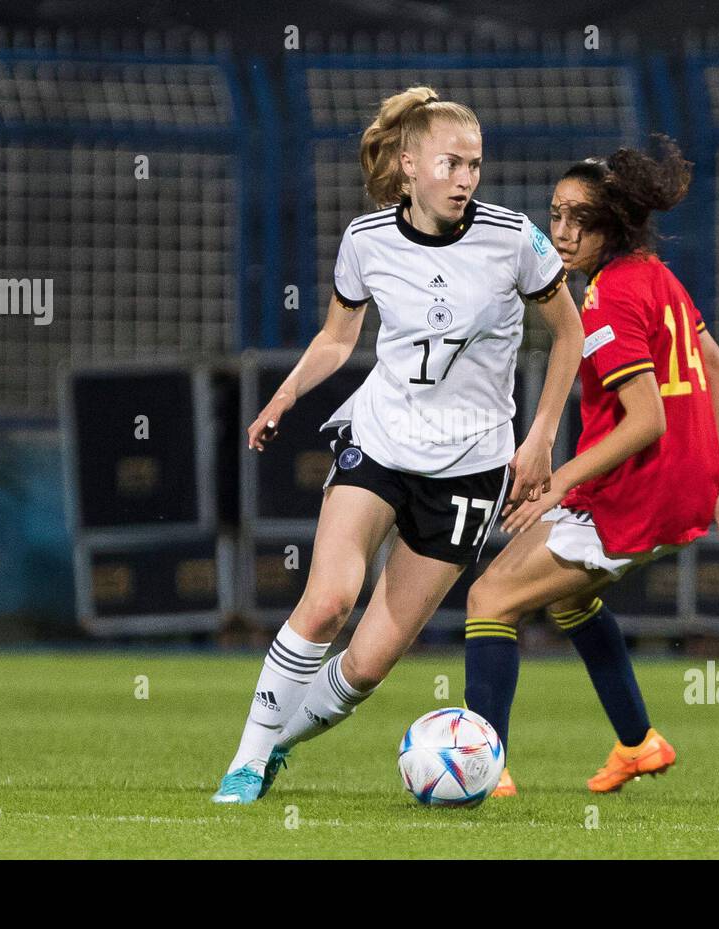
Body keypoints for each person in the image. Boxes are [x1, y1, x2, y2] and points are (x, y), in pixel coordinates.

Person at [212, 86, 584, 804]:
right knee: (327, 601)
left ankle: (278, 742)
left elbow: (568, 335)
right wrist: (285, 396)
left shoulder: (514, 239)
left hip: (470, 472)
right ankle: (246, 760)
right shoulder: (366, 239)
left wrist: (539, 438)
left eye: (475, 165)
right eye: (451, 164)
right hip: (380, 443)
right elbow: (338, 337)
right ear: (410, 164)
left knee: (368, 667)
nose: (466, 179)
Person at [462, 136, 719, 796]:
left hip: (636, 492)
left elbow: (646, 418)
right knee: (569, 598)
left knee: (489, 598)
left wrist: (557, 479)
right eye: (556, 215)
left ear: (612, 225)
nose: (561, 234)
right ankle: (639, 742)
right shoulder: (657, 276)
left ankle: (482, 770)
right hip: (685, 485)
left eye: (579, 220)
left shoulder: (607, 298)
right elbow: (717, 365)